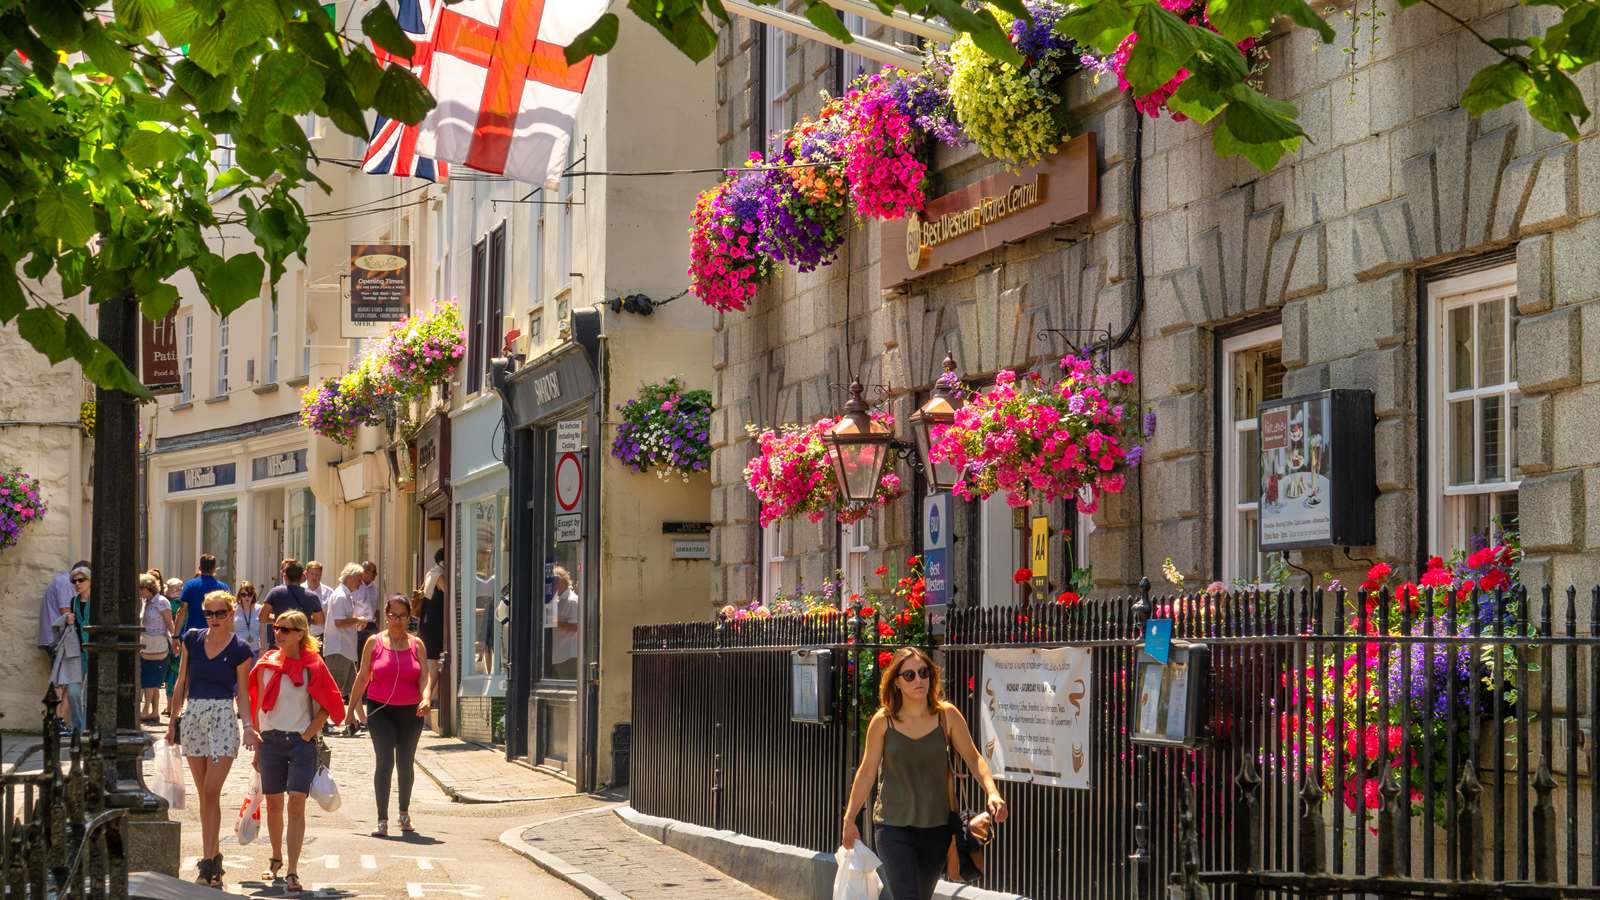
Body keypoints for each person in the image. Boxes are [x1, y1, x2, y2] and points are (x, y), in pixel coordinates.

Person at [841, 647, 1008, 900]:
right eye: (909, 675)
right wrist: (849, 818)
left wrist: (993, 793)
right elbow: (866, 772)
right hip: (892, 826)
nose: (918, 680)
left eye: (923, 672)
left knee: (920, 895)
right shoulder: (883, 721)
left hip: (936, 828)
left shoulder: (946, 716)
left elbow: (974, 758)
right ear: (896, 682)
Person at [247, 609, 345, 894]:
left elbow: (329, 702)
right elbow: (256, 702)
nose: (278, 633)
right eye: (276, 628)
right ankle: (275, 859)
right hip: (270, 742)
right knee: (274, 803)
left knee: (297, 803)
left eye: (285, 629)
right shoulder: (265, 663)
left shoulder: (312, 664)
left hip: (300, 743)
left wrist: (307, 734)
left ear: (301, 634)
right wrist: (255, 737)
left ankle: (292, 870)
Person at [166, 590, 256, 888]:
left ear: (231, 613)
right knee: (204, 794)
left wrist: (248, 725)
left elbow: (242, 693)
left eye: (220, 613)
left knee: (211, 789)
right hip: (193, 718)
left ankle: (207, 864)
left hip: (222, 719)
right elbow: (182, 682)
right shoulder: (192, 638)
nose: (214, 619)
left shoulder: (241, 649)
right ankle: (213, 858)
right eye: (209, 613)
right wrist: (171, 721)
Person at [348, 595, 433, 836]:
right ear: (386, 616)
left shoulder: (417, 645)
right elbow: (363, 676)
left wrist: (426, 698)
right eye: (393, 615)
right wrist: (351, 709)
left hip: (411, 711)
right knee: (385, 761)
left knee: (406, 762)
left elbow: (424, 676)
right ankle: (382, 819)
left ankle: (404, 813)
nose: (397, 621)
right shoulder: (374, 643)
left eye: (402, 616)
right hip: (380, 710)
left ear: (409, 618)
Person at [39, 561, 90, 725]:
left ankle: (85, 728)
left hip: (94, 651)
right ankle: (76, 726)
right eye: (74, 581)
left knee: (89, 694)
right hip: (76, 651)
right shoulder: (74, 602)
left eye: (81, 580)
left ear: (90, 580)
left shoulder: (96, 603)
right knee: (72, 690)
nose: (77, 584)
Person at [322, 564, 366, 733]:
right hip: (338, 650)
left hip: (345, 650)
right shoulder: (340, 596)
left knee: (354, 688)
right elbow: (339, 622)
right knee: (335, 689)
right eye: (359, 580)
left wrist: (356, 622)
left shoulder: (346, 596)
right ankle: (322, 722)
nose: (361, 584)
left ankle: (358, 720)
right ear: (351, 578)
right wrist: (357, 620)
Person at [259, 560, 325, 651]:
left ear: (285, 576)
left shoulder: (275, 593)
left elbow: (262, 617)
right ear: (302, 577)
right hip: (301, 642)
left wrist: (280, 619)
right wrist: (303, 620)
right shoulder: (312, 596)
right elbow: (320, 621)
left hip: (280, 642)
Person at [138, 573, 178, 724]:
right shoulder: (146, 602)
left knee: (151, 680)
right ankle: (153, 712)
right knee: (151, 680)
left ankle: (147, 709)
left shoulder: (162, 602)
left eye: (141, 589)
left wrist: (175, 640)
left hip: (159, 644)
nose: (140, 592)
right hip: (147, 644)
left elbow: (169, 622)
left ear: (149, 588)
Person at [177, 554, 230, 635]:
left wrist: (175, 635)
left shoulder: (190, 585)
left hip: (193, 633)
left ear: (200, 568)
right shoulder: (223, 587)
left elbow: (182, 610)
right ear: (214, 568)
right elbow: (229, 613)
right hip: (216, 633)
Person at [415, 549, 447, 676]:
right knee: (434, 663)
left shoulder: (430, 573)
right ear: (444, 562)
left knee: (431, 661)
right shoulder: (439, 575)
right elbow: (451, 595)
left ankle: (427, 693)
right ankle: (427, 694)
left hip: (428, 620)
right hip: (434, 622)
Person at [548, 567, 579, 680]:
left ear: (561, 582)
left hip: (568, 656)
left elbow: (577, 627)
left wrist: (555, 623)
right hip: (559, 655)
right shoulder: (561, 600)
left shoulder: (572, 601)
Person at [162, 577, 185, 717]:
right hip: (177, 640)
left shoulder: (167, 603)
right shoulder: (181, 605)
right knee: (176, 674)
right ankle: (175, 706)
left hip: (169, 640)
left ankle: (170, 706)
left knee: (170, 674)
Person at [304, 561, 334, 645]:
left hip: (321, 637)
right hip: (301, 636)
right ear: (306, 574)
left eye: (317, 574)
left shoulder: (329, 593)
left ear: (321, 575)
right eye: (312, 574)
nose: (314, 577)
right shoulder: (300, 590)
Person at [234, 581, 264, 659]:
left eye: (250, 594)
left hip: (255, 650)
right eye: (243, 595)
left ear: (253, 595)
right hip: (238, 651)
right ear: (239, 595)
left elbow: (262, 631)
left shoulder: (260, 609)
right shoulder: (233, 609)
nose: (247, 597)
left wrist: (262, 649)